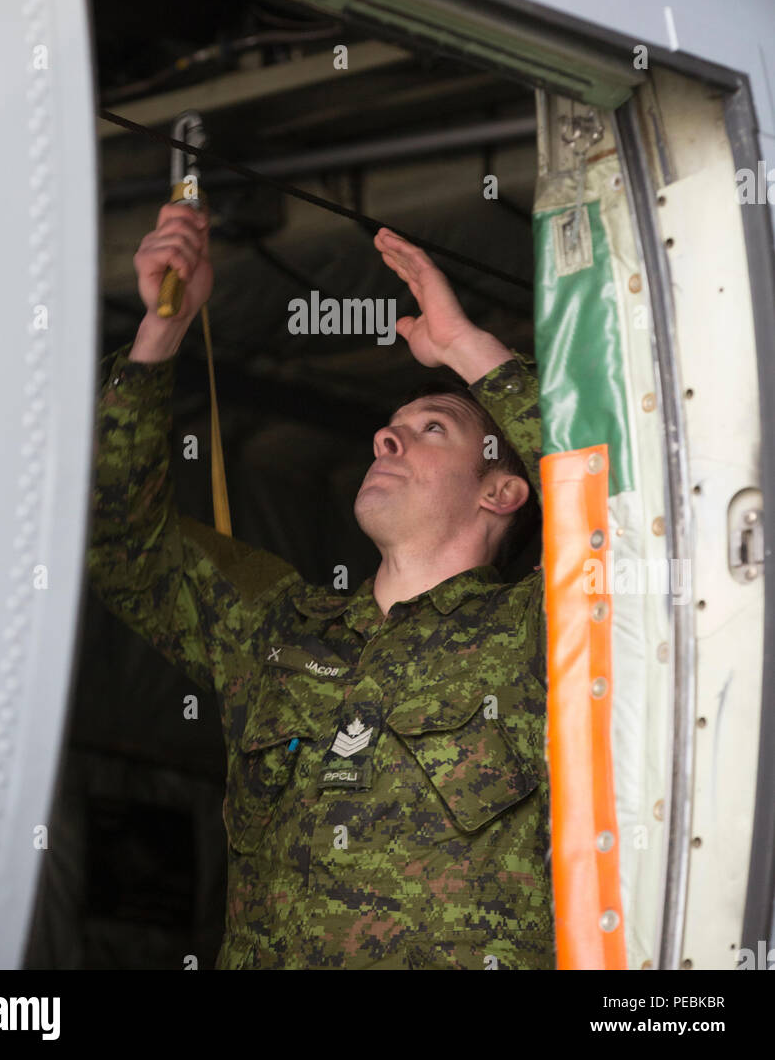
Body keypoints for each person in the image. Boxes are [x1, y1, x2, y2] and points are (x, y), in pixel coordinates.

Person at [87, 201, 554, 970]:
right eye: (391, 427)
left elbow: (622, 511)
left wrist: (469, 351)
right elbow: (118, 539)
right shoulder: (275, 633)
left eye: (435, 425)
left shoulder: (541, 632)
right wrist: (160, 331)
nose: (388, 434)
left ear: (502, 492)